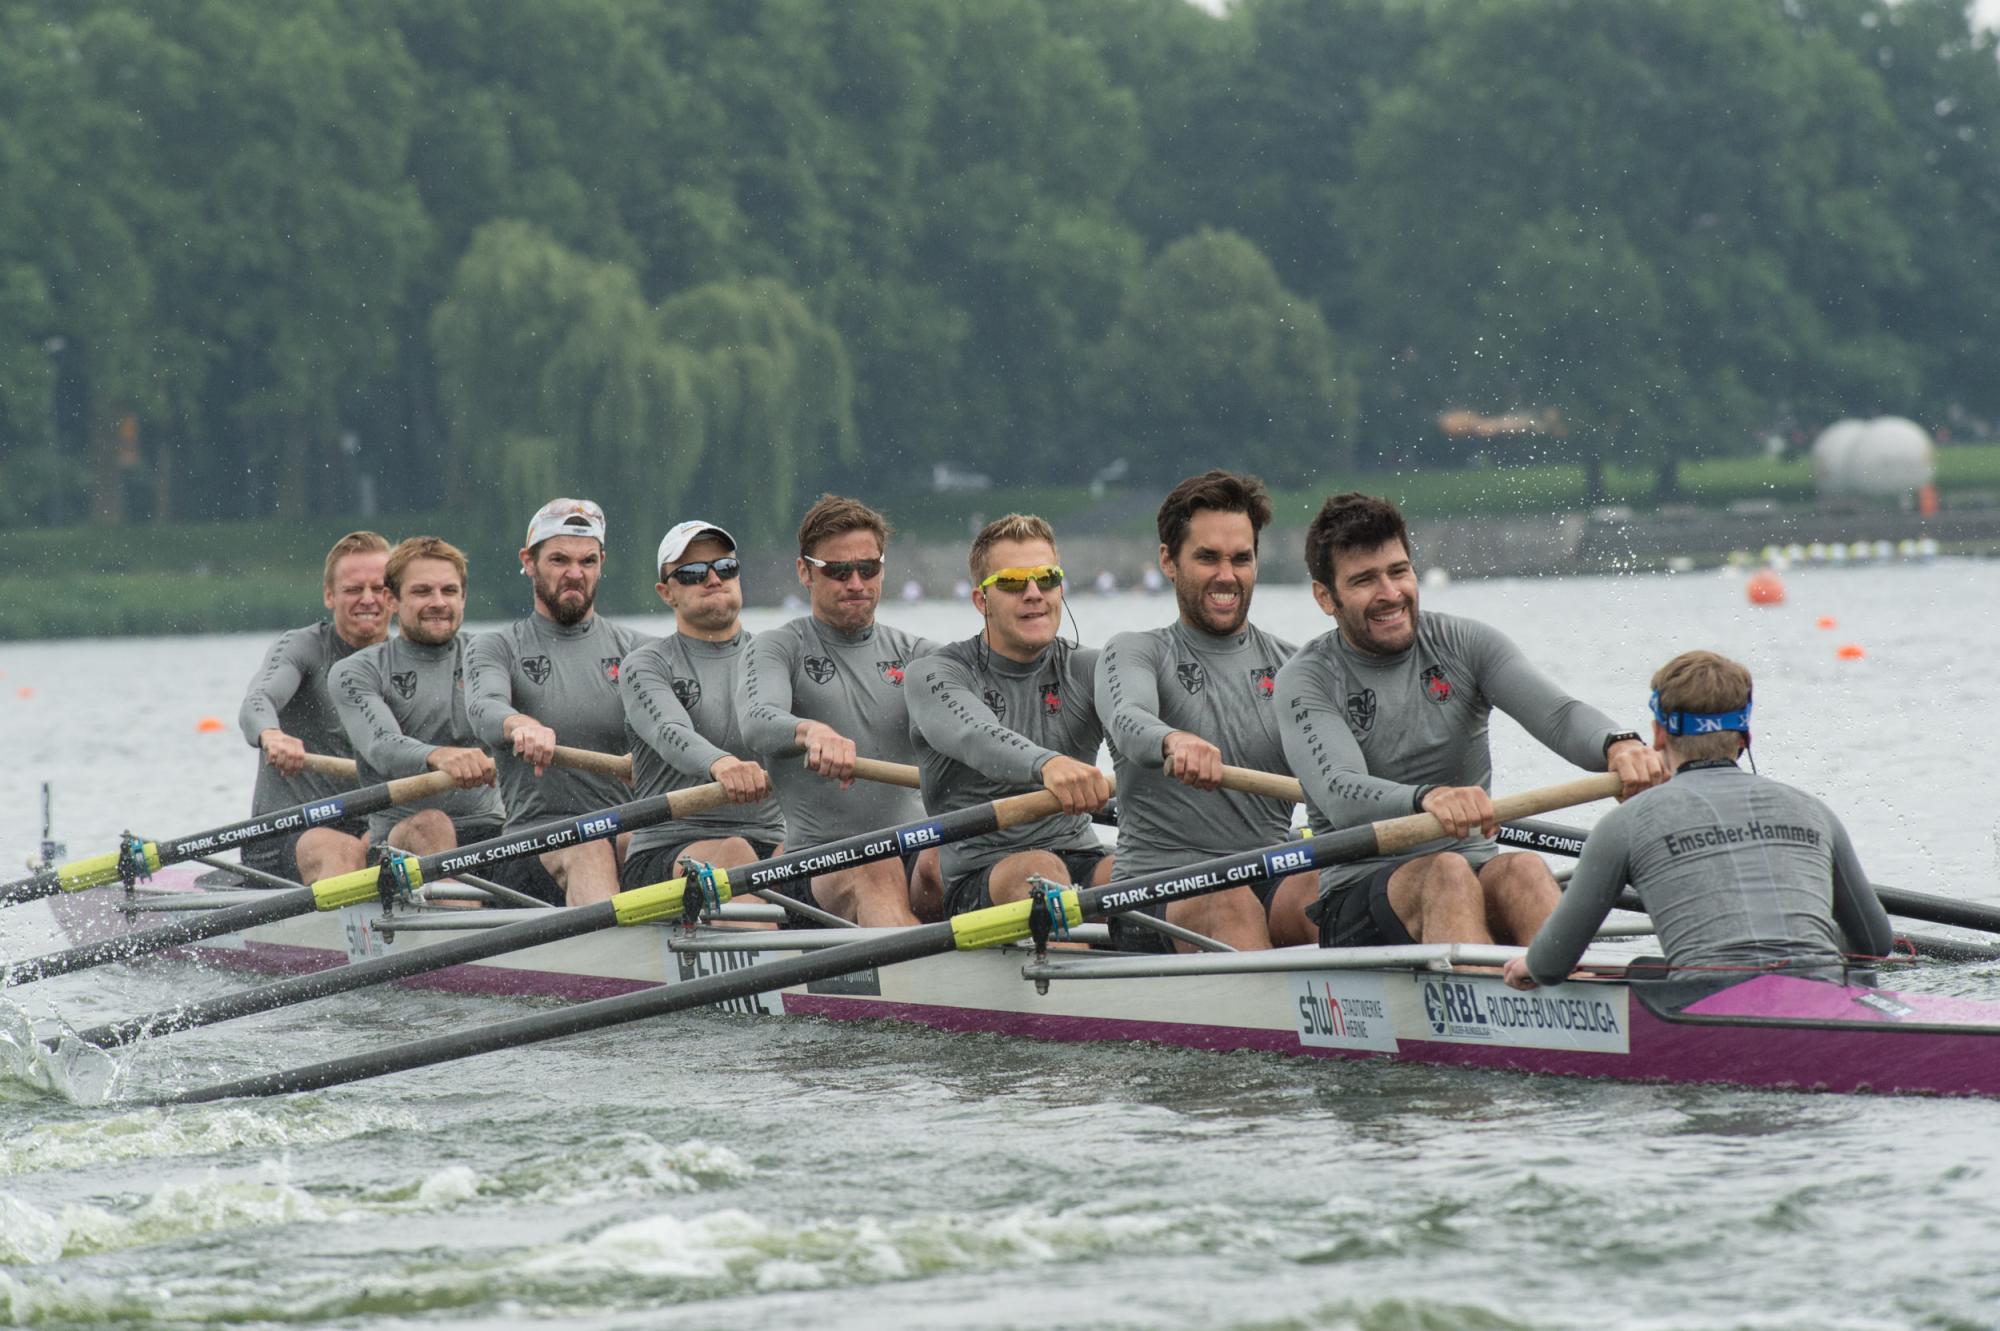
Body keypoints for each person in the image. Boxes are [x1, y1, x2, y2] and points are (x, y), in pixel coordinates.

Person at [1275, 492, 1666, 950]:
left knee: (1522, 868)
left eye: (1398, 571)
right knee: (1446, 872)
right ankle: (1492, 1011)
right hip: (1358, 893)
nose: (1390, 594)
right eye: (1364, 580)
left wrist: (1618, 746)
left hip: (1471, 868)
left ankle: (1586, 1001)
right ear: (1326, 597)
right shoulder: (1306, 680)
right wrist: (1429, 798)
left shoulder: (1463, 644)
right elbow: (1342, 792)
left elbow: (1559, 716)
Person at [1504, 651, 1894, 990]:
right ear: (1745, 737)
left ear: (1658, 735)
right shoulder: (1815, 811)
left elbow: (1554, 963)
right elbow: (1875, 943)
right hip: (1822, 992)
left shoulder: (1623, 825)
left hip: (1705, 1007)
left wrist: (1531, 965)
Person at [1096, 471, 1312, 950]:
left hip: (1268, 876)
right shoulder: (1136, 652)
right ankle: (1276, 1021)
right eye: (1208, 558)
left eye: (1241, 559)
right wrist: (1173, 740)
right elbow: (1129, 720)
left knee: (1330, 890)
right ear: (1168, 561)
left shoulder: (1299, 668)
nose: (1227, 576)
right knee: (1229, 900)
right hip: (1152, 894)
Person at [737, 495, 942, 926]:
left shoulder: (920, 655)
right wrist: (810, 732)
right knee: (876, 869)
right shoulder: (778, 647)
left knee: (997, 857)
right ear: (804, 572)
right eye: (837, 571)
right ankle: (921, 981)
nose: (856, 583)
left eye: (868, 569)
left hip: (917, 848)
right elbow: (757, 719)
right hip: (817, 864)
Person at [909, 515, 1113, 916]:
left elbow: (1137, 726)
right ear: (981, 601)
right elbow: (976, 735)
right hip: (980, 869)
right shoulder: (936, 672)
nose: (1034, 593)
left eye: (1047, 578)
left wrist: (1172, 745)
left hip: (1079, 852)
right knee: (1042, 873)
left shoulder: (1092, 668)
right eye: (1013, 582)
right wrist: (1047, 764)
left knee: (1147, 869)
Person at [466, 498, 649, 905]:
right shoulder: (496, 647)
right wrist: (520, 725)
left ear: (602, 562)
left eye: (587, 561)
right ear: (528, 562)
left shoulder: (641, 651)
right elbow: (484, 707)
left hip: (626, 828)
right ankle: (607, 963)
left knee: (694, 848)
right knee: (589, 844)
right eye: (559, 560)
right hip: (532, 844)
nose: (574, 574)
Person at [620, 519, 785, 902]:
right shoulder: (645, 665)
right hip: (667, 850)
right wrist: (722, 764)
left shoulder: (778, 657)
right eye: (694, 573)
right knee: (734, 855)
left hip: (772, 843)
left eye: (725, 568)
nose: (713, 579)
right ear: (667, 593)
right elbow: (669, 731)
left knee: (851, 861)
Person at [328, 536, 502, 867]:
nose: (438, 602)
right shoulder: (356, 671)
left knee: (565, 833)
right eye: (423, 592)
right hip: (400, 838)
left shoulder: (492, 655)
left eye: (449, 591)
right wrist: (440, 757)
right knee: (433, 823)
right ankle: (460, 915)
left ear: (463, 598)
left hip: (493, 829)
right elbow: (382, 746)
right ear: (390, 600)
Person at [236, 530, 390, 884]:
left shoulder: (404, 664)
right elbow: (257, 702)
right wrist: (271, 735)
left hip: (367, 827)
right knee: (345, 852)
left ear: (394, 596)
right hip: (284, 832)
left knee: (412, 840)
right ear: (329, 596)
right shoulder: (303, 649)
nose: (368, 599)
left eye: (379, 588)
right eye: (353, 589)